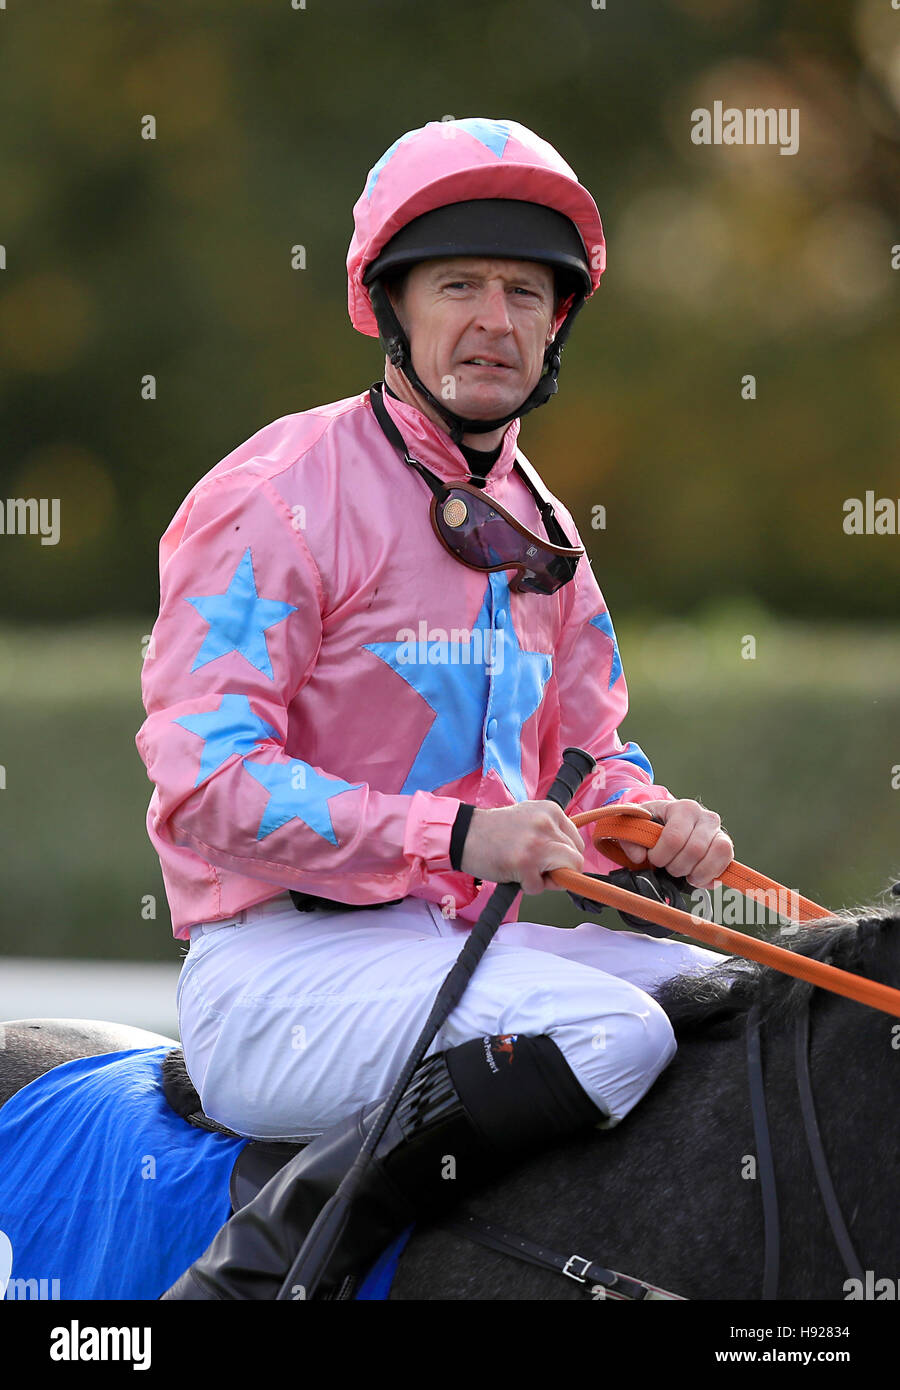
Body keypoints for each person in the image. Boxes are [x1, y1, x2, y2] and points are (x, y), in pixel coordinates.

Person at [137, 117, 733, 1300]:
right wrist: (455, 836)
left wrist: (646, 824)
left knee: (734, 1002)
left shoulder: (545, 528)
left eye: (526, 292)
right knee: (615, 1033)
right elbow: (206, 782)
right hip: (275, 974)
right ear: (392, 306)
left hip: (458, 953)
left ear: (556, 324)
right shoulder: (280, 492)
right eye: (459, 284)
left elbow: (585, 759)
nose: (495, 320)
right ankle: (257, 1277)